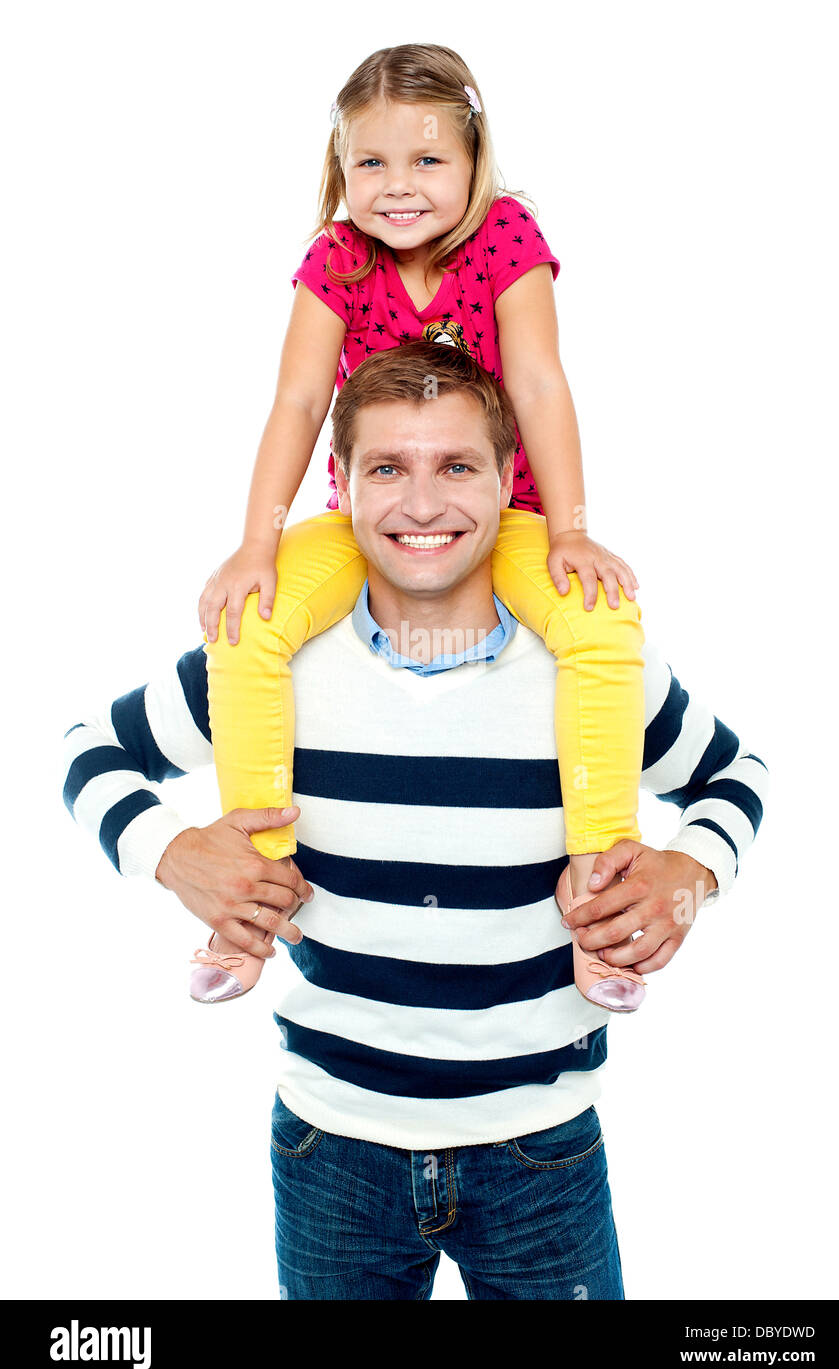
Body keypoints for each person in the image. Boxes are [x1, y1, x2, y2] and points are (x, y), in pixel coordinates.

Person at [62, 344, 767, 1300]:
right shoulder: (265, 668)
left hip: (542, 1160)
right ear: (340, 487)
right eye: (387, 468)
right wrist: (171, 852)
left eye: (457, 467)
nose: (422, 504)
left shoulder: (595, 677)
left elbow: (736, 775)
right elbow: (83, 748)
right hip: (328, 1153)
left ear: (510, 481)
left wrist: (690, 875)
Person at [195, 43, 646, 1001]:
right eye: (372, 163)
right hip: (367, 526)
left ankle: (602, 906)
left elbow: (536, 382)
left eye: (428, 159)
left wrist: (565, 529)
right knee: (248, 623)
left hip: (497, 519)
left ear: (475, 161)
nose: (398, 187)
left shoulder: (507, 239)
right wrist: (256, 543)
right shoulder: (335, 257)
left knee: (601, 626)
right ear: (340, 171)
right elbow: (296, 400)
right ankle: (252, 896)